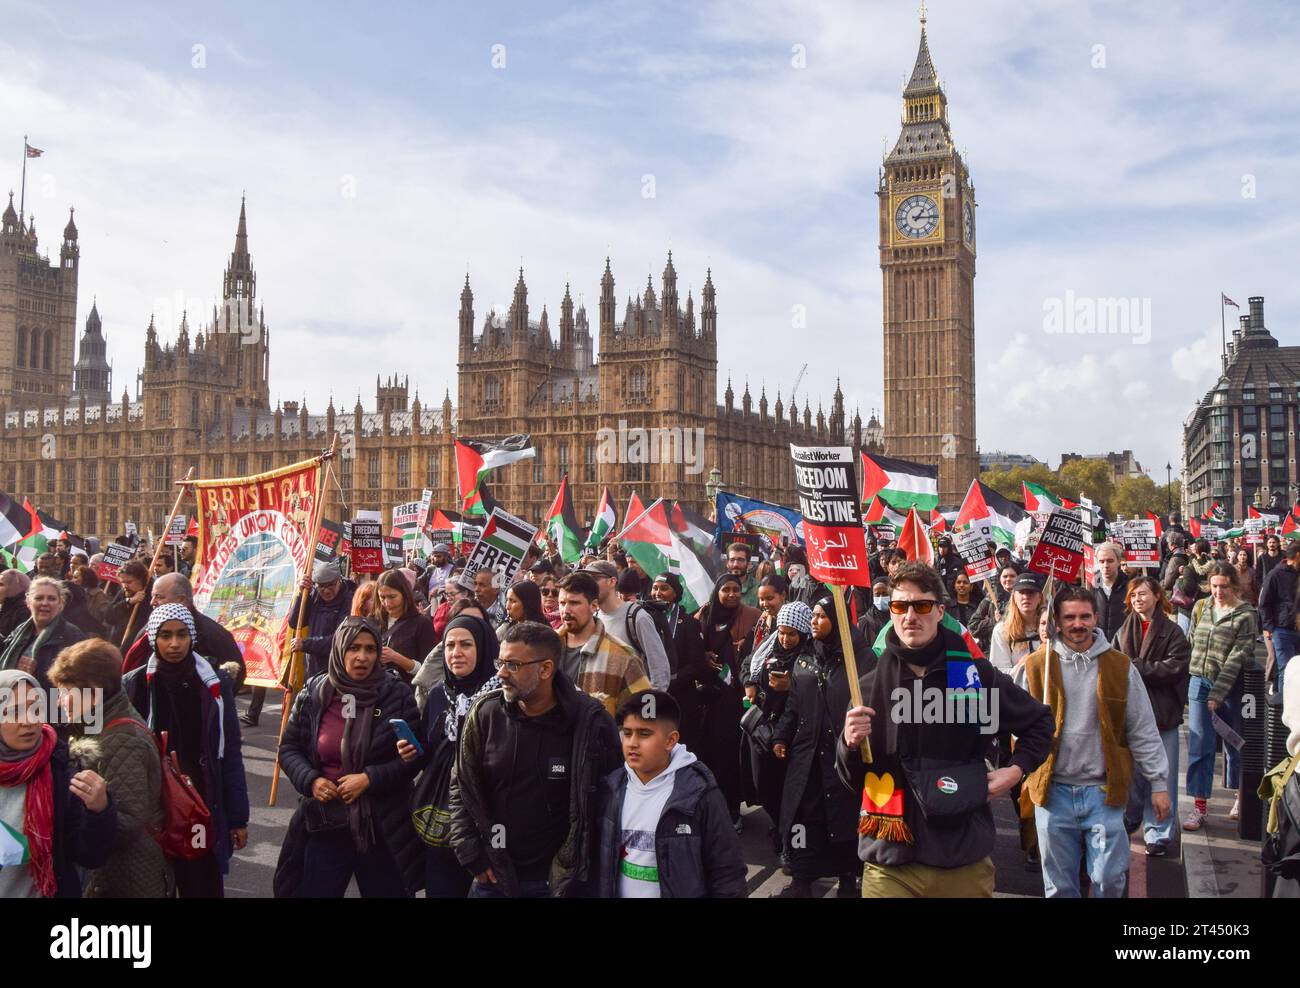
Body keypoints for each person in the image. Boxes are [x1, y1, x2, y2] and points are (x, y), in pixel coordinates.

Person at [837, 562, 1053, 898]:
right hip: (889, 859)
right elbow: (851, 779)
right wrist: (848, 745)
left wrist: (1015, 771)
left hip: (962, 857)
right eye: (899, 606)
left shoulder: (973, 676)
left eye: (921, 605)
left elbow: (1040, 723)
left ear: (940, 611)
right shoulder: (867, 687)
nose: (910, 616)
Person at [448, 620, 622, 898]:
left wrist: (580, 867)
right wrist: (470, 852)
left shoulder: (591, 723)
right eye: (500, 663)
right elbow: (462, 784)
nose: (502, 673)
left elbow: (609, 800)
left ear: (545, 669)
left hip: (559, 883)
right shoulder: (486, 713)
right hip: (494, 876)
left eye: (513, 665)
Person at [1022, 586, 1170, 897]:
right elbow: (1016, 730)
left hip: (1104, 792)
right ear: (1057, 622)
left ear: (1096, 618)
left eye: (1085, 617)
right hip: (1052, 793)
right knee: (1060, 886)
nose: (1078, 624)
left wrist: (1158, 783)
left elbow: (1142, 728)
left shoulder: (1120, 666)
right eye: (1070, 617)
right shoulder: (1036, 665)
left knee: (1108, 878)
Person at [274, 617, 422, 897]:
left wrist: (369, 779)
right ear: (340, 650)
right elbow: (289, 747)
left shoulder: (397, 695)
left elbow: (412, 760)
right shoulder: (315, 692)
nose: (362, 657)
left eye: (370, 649)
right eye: (353, 648)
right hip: (325, 821)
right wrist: (312, 781)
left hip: (382, 825)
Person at [122, 604, 249, 897]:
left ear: (192, 636)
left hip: (201, 804)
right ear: (154, 638)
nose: (174, 643)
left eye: (181, 634)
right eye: (166, 636)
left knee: (201, 886)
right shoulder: (134, 684)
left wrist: (237, 818)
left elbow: (229, 754)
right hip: (153, 807)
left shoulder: (214, 685)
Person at [593, 689, 747, 898]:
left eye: (644, 734)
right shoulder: (612, 789)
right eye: (627, 733)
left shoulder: (700, 794)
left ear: (670, 740)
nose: (632, 743)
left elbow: (728, 871)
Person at [47, 639, 170, 897]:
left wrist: (86, 817)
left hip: (126, 877)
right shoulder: (103, 720)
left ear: (93, 690)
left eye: (66, 693)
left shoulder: (121, 740)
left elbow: (127, 822)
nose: (60, 702)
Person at [772, 594, 872, 896]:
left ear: (839, 621)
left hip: (844, 760)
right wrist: (781, 736)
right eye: (813, 616)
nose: (814, 622)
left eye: (821, 616)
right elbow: (794, 705)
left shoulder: (862, 660)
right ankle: (801, 879)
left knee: (843, 821)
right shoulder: (806, 657)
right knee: (804, 819)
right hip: (807, 760)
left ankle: (847, 879)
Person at [400, 615, 500, 897]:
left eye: (466, 644)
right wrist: (411, 752)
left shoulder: (502, 699)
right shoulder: (437, 696)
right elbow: (428, 755)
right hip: (443, 823)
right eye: (450, 645)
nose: (456, 653)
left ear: (483, 648)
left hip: (487, 823)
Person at [0, 669, 117, 898]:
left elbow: (90, 856)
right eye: (14, 712)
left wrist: (99, 811)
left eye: (36, 709)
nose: (28, 721)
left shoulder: (61, 768)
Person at [1112, 576, 1190, 856]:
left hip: (1162, 713)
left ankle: (1159, 832)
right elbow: (1113, 665)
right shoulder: (1122, 631)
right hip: (1130, 713)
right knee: (1132, 775)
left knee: (1162, 776)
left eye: (1143, 594)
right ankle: (1130, 818)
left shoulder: (1173, 632)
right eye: (1133, 596)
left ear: (1157, 596)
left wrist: (1137, 668)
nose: (1137, 600)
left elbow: (1175, 667)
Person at [1184, 564, 1257, 830]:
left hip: (1231, 685)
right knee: (1199, 743)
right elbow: (1192, 642)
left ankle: (1240, 797)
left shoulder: (1246, 614)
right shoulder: (1201, 607)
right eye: (1214, 586)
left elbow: (1238, 656)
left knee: (1234, 743)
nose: (1218, 591)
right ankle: (1199, 806)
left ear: (1234, 585)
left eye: (1224, 586)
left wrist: (1218, 692)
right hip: (1198, 681)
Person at [746, 601, 810, 866]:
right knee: (765, 785)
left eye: (792, 634)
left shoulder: (808, 658)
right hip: (762, 730)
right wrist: (750, 683)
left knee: (793, 793)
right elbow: (749, 663)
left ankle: (790, 844)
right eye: (782, 632)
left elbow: (818, 688)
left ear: (803, 634)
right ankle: (778, 825)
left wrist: (792, 686)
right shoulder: (769, 647)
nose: (785, 639)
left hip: (793, 735)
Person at [696, 573, 758, 826]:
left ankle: (732, 809)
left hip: (734, 698)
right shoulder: (704, 616)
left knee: (730, 755)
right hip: (707, 697)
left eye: (736, 589)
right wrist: (703, 655)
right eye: (726, 589)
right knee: (707, 753)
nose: (731, 594)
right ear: (717, 592)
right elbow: (691, 646)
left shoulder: (752, 617)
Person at [555, 572, 652, 715]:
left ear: (594, 606)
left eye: (574, 603)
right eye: (562, 603)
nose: (566, 610)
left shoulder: (623, 657)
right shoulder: (545, 650)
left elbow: (645, 717)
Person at [123, 572, 245, 683]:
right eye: (165, 636)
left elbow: (236, 675)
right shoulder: (149, 628)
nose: (152, 602)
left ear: (181, 600)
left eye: (159, 597)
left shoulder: (213, 634)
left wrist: (211, 699)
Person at [585, 560, 671, 690]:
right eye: (586, 580)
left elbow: (659, 667)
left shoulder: (637, 617)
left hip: (635, 704)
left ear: (612, 581)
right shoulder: (593, 618)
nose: (589, 585)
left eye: (595, 579)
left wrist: (649, 707)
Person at [0, 577, 88, 687]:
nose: (45, 603)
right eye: (39, 598)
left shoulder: (73, 637)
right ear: (28, 602)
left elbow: (80, 685)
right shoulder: (19, 631)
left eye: (51, 599)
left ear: (60, 603)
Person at [375, 569, 437, 685]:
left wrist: (396, 658)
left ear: (405, 594)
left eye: (392, 597)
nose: (387, 603)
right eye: (382, 597)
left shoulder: (422, 624)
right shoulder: (373, 621)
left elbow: (429, 670)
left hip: (407, 693)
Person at [1257, 542, 1300, 702]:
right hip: (1282, 629)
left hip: (1297, 627)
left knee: (1298, 670)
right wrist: (1268, 627)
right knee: (1287, 668)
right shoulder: (1276, 574)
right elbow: (1264, 602)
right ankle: (1283, 704)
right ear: (1297, 556)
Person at [988, 572, 1043, 673]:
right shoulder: (1002, 630)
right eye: (1021, 592)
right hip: (1016, 687)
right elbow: (998, 671)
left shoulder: (1049, 627)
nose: (1026, 597)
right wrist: (1020, 667)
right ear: (1014, 597)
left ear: (1039, 597)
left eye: (1031, 592)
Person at [968, 565, 1014, 655]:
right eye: (1005, 576)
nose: (1008, 579)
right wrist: (993, 621)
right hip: (993, 652)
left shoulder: (1025, 598)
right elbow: (972, 627)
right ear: (1000, 578)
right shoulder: (991, 598)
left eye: (1012, 576)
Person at [107, 560, 152, 648]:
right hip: (116, 642)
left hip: (134, 646)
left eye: (129, 582)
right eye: (122, 582)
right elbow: (109, 616)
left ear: (141, 580)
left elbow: (140, 628)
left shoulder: (151, 595)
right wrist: (129, 601)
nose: (125, 586)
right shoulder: (124, 592)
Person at [1092, 541, 1130, 641]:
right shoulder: (1091, 588)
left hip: (1122, 647)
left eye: (1110, 561)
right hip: (1097, 647)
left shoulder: (1130, 588)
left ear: (1118, 561)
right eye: (1101, 561)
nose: (1105, 565)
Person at [0, 569, 31, 642]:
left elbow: (12, 643)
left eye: (1, 584)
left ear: (14, 587)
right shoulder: (7, 606)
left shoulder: (23, 611)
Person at [724, 542, 759, 608]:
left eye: (740, 560)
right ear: (727, 563)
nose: (736, 564)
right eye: (732, 560)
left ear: (748, 564)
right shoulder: (719, 587)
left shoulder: (758, 588)